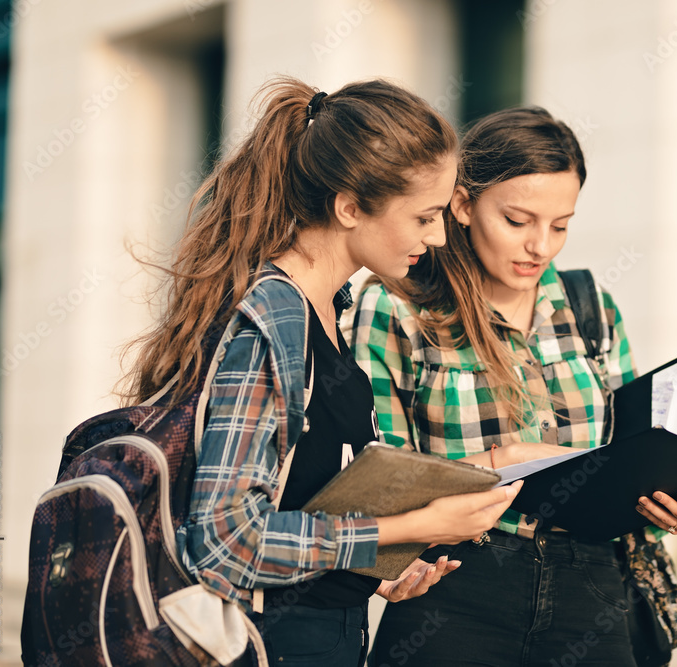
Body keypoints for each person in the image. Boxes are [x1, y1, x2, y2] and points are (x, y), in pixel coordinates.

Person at [121, 76, 522, 667]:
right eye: (424, 216)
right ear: (350, 207)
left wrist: (371, 572)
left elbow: (295, 505)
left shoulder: (329, 311)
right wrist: (405, 526)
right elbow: (226, 542)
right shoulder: (275, 322)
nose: (438, 238)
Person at [350, 107, 677, 666]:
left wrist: (664, 500)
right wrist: (506, 458)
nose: (540, 247)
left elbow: (628, 453)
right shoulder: (398, 307)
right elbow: (379, 483)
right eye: (518, 220)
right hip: (458, 589)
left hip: (592, 587)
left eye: (561, 225)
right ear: (464, 205)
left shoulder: (591, 308)